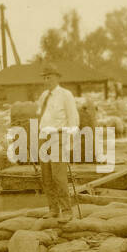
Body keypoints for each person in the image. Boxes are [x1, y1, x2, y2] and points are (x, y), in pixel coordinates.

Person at [37, 64, 80, 222]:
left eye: (50, 77)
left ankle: (67, 210)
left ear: (57, 78)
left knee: (58, 176)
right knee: (46, 176)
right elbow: (42, 117)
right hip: (44, 137)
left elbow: (73, 118)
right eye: (45, 78)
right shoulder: (44, 96)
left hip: (58, 136)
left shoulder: (65, 95)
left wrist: (69, 141)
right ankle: (53, 209)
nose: (47, 80)